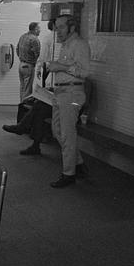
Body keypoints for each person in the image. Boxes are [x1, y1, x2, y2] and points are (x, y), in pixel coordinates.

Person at [46, 15, 91, 188]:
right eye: (56, 27)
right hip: (61, 92)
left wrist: (60, 67)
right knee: (56, 130)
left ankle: (69, 174)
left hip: (72, 93)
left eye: (61, 27)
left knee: (67, 134)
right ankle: (78, 164)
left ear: (72, 28)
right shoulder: (66, 45)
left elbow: (85, 72)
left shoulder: (79, 45)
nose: (57, 31)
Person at [15, 21, 41, 103]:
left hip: (21, 65)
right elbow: (37, 54)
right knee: (27, 90)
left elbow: (17, 49)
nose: (40, 31)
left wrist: (22, 58)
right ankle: (24, 110)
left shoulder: (23, 36)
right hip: (29, 66)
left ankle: (21, 105)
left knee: (22, 87)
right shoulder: (34, 39)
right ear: (35, 29)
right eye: (39, 29)